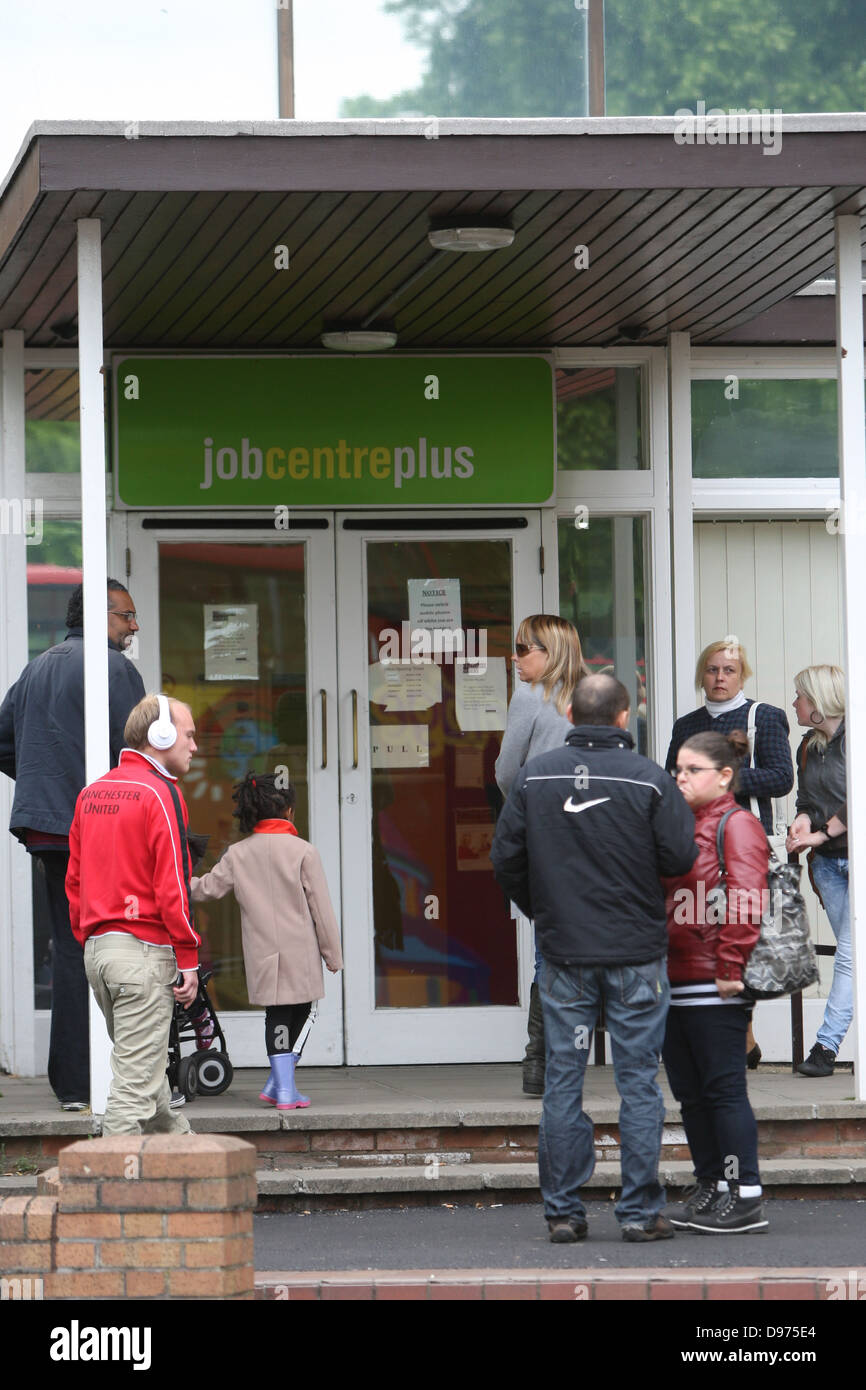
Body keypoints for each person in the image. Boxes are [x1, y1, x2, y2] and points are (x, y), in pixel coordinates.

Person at [491, 674, 697, 1243]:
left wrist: (544, 910)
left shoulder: (535, 777)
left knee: (564, 1080)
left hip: (564, 954)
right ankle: (638, 1213)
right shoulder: (651, 780)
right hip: (635, 953)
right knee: (637, 1082)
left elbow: (505, 858)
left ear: (571, 713)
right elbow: (681, 856)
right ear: (624, 717)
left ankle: (562, 1211)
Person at [0, 580, 145, 1111]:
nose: (133, 627)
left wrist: (44, 787)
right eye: (127, 616)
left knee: (70, 946)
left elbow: (3, 741)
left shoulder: (38, 667)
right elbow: (136, 754)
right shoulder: (115, 669)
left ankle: (72, 1085)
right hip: (96, 829)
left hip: (46, 829)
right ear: (102, 614)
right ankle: (107, 1077)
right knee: (114, 944)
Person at [66, 694, 201, 1136]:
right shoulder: (160, 793)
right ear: (160, 735)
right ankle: (105, 1196)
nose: (194, 746)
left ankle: (191, 1167)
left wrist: (91, 938)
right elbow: (173, 884)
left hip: (101, 954)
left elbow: (75, 882)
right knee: (132, 1094)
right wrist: (188, 957)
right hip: (143, 956)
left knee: (147, 1079)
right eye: (188, 734)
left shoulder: (92, 793)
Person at [665, 637, 793, 1069]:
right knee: (701, 937)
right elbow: (672, 780)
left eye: (729, 671)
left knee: (742, 942)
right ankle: (740, 1039)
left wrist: (720, 781)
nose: (720, 678)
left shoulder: (764, 717)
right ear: (702, 674)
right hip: (694, 848)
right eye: (712, 670)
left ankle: (736, 1037)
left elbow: (780, 778)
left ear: (743, 676)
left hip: (743, 845)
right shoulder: (686, 725)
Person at [662, 731, 769, 1234]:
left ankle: (744, 1193)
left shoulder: (737, 822)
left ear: (724, 776)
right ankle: (713, 1186)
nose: (680, 778)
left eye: (692, 770)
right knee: (692, 1095)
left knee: (723, 1091)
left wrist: (730, 967)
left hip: (716, 983)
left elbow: (748, 898)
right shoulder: (680, 823)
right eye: (677, 769)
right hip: (674, 980)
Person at [190, 770, 343, 1109]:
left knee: (276, 1014)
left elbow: (207, 889)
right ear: (289, 811)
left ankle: (279, 1084)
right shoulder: (304, 852)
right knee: (302, 1011)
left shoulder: (238, 854)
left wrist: (176, 882)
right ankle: (284, 1086)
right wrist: (333, 955)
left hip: (262, 952)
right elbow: (322, 909)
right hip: (300, 952)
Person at [495, 614, 587, 1097]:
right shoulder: (597, 693)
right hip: (594, 836)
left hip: (545, 833)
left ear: (550, 652)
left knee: (547, 946)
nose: (515, 657)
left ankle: (541, 1061)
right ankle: (565, 1056)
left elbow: (508, 771)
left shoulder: (530, 698)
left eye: (524, 648)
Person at [786, 665, 849, 1078]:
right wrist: (803, 822)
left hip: (853, 856)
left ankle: (825, 1049)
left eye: (800, 695)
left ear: (818, 700)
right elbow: (806, 798)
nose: (794, 702)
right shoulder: (809, 745)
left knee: (848, 954)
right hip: (828, 865)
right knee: (854, 955)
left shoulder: (857, 737)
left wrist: (821, 833)